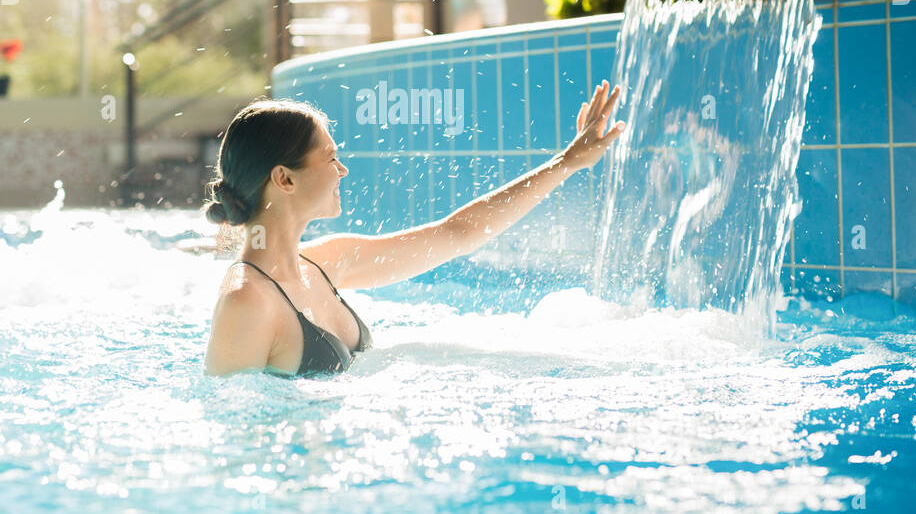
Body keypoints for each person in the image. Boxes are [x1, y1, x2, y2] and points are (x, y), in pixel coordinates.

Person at [202, 80, 626, 378]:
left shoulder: (326, 262)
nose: (343, 170)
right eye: (330, 158)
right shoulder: (247, 302)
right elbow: (233, 432)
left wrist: (567, 163)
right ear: (285, 179)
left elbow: (458, 233)